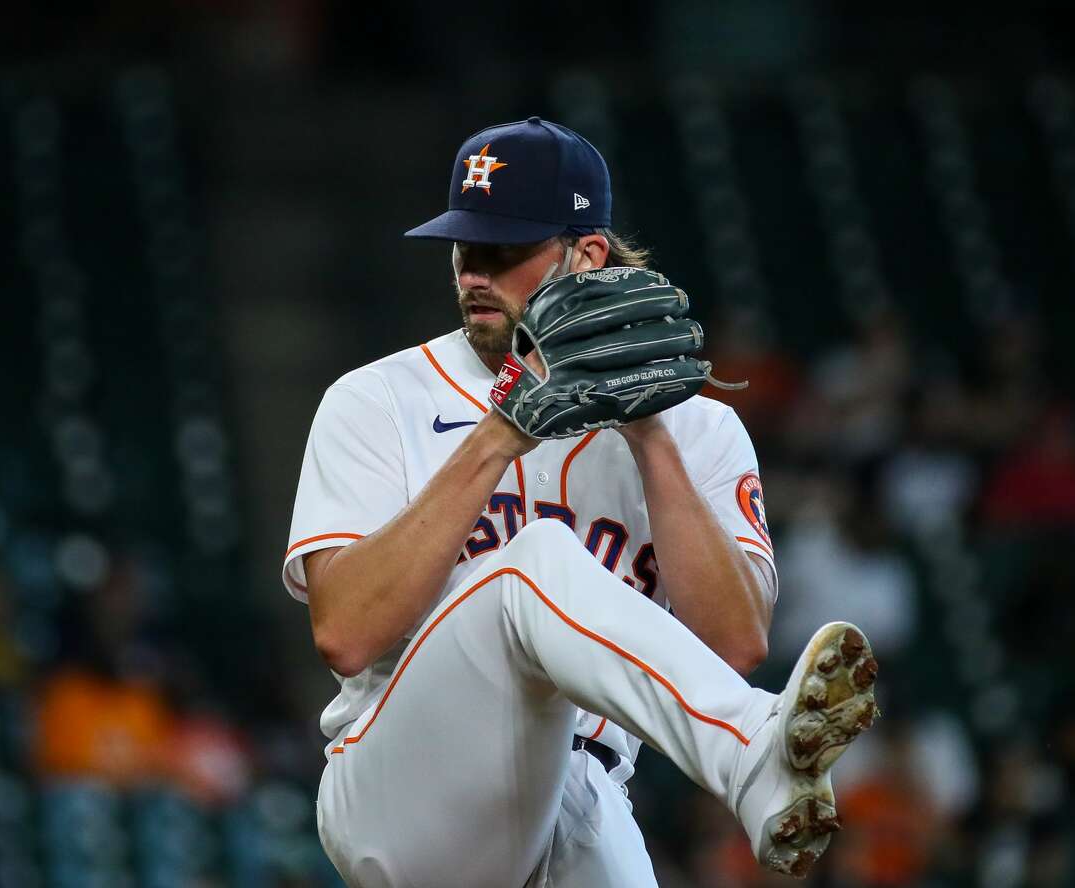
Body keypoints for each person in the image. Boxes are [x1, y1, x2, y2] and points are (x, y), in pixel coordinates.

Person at [284, 117, 878, 887]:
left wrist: (651, 437)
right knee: (531, 563)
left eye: (505, 249)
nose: (474, 273)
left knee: (591, 794)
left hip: (580, 797)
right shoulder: (377, 399)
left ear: (587, 255)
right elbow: (344, 634)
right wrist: (499, 434)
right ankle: (750, 754)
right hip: (402, 789)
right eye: (464, 247)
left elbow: (733, 646)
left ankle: (753, 756)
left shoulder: (698, 428)